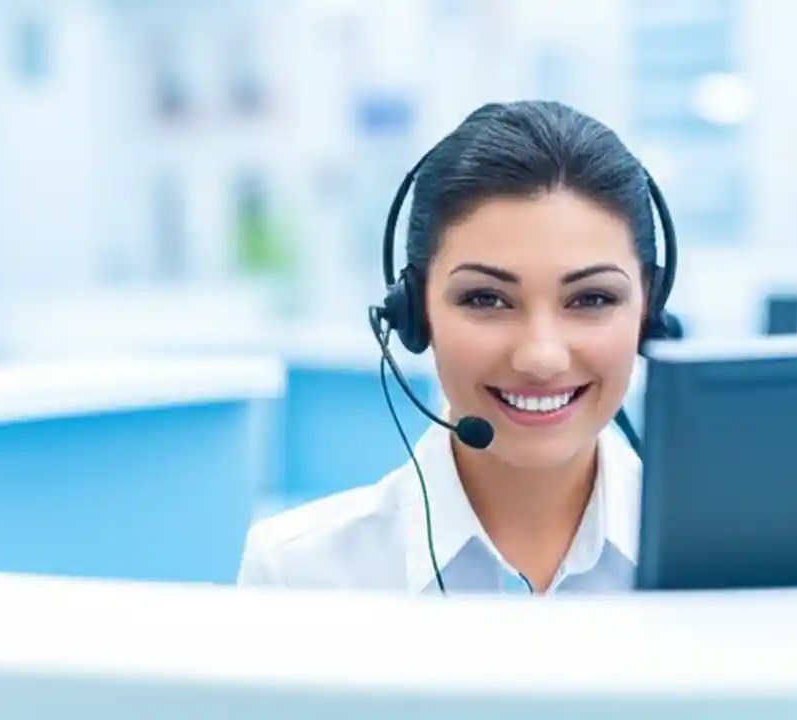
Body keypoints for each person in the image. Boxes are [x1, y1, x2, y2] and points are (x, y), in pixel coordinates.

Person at [238, 100, 669, 595]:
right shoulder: (299, 576)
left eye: (591, 298)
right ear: (416, 314)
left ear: (647, 310)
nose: (540, 356)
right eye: (486, 299)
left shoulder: (740, 564)